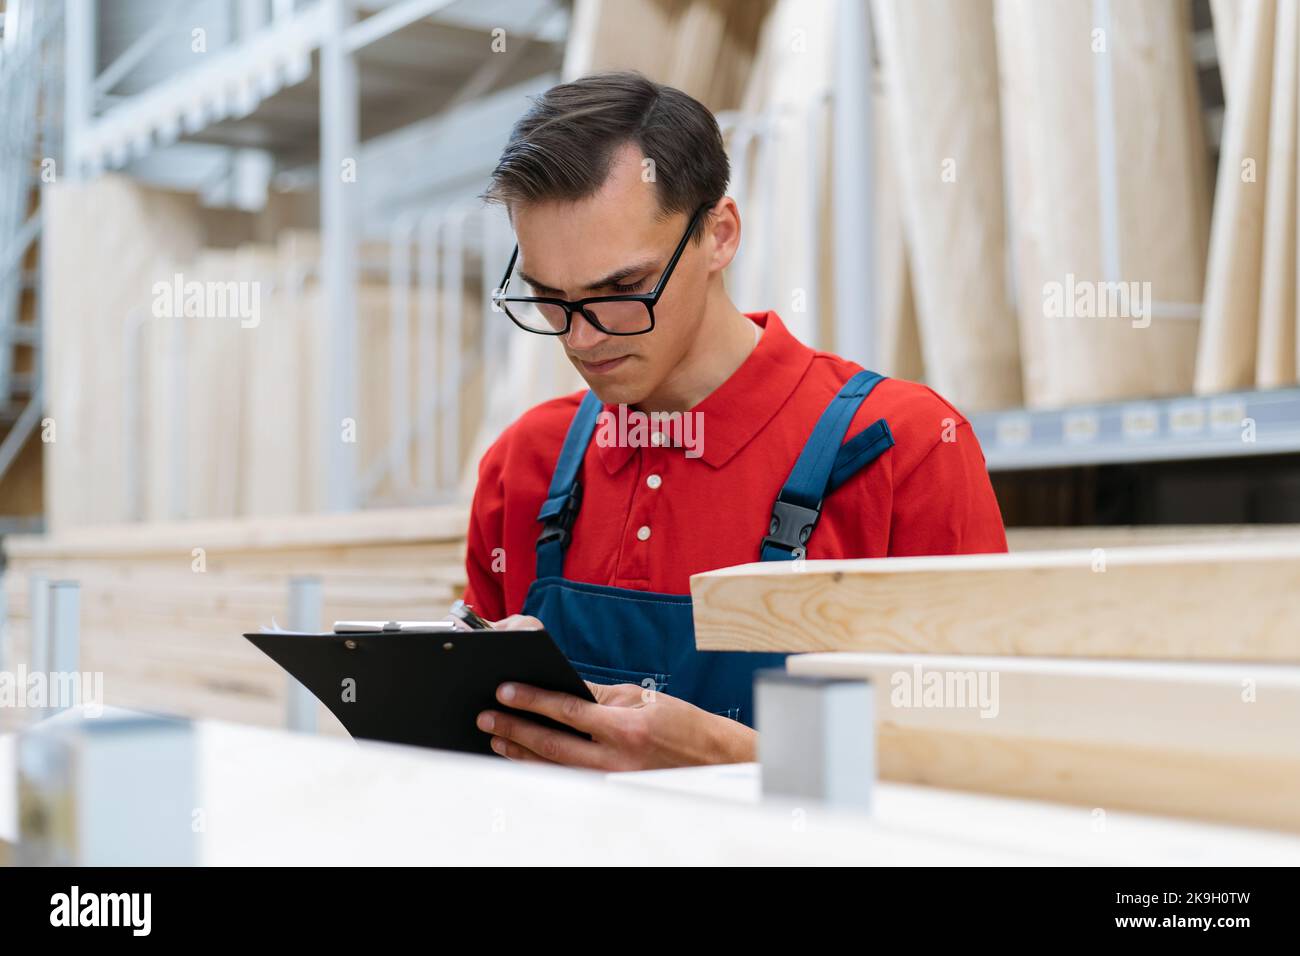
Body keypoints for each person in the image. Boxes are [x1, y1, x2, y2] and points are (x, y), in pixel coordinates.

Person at [462, 71, 1007, 771]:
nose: (582, 340)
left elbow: (983, 768)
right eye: (549, 297)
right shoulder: (523, 464)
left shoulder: (903, 450)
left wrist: (726, 758)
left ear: (719, 235)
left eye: (622, 290)